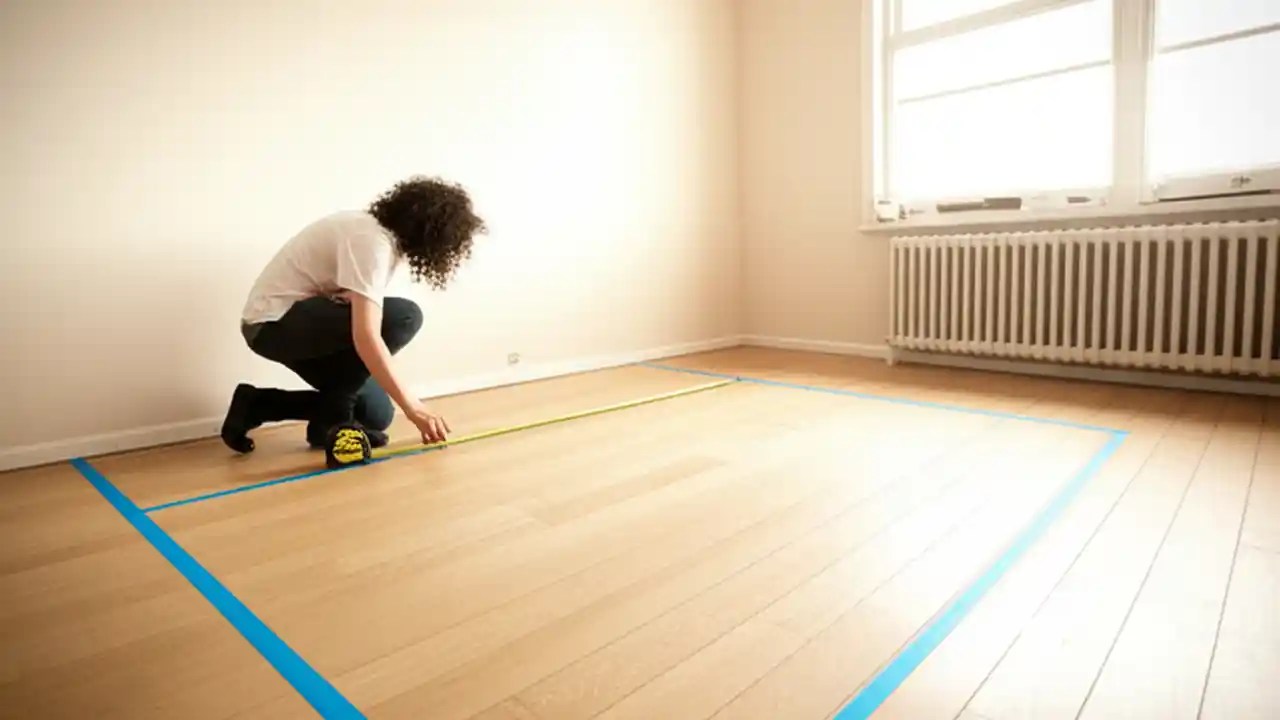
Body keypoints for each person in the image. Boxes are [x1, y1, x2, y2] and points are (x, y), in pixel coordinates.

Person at [220, 176, 485, 454]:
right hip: (272, 323)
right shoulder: (371, 241)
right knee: (405, 315)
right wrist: (414, 408)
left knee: (375, 414)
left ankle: (257, 404)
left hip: (296, 325)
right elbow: (366, 334)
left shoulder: (376, 240)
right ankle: (334, 422)